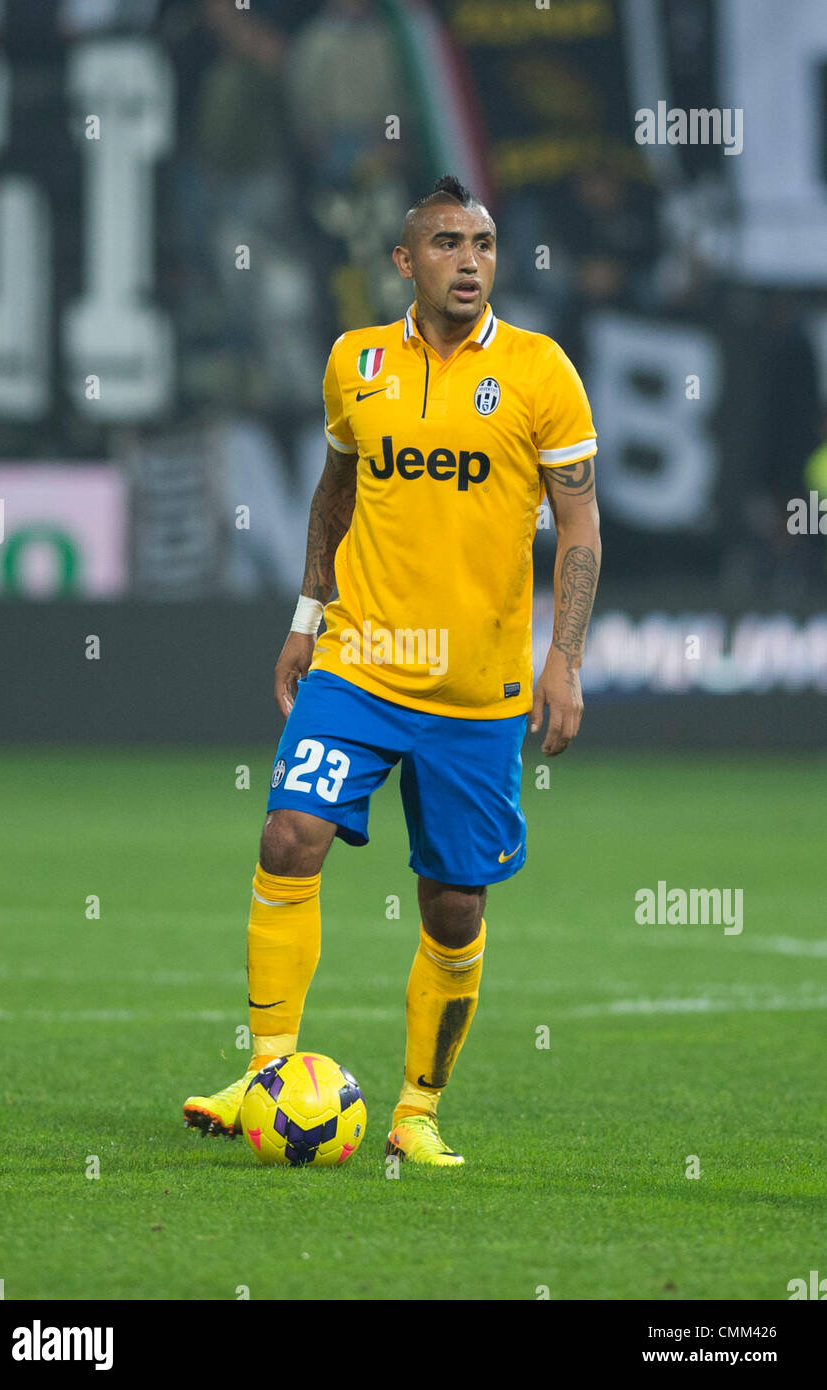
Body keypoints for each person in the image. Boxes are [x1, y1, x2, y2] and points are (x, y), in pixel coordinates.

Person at [184, 175, 601, 1165]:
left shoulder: (541, 373)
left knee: (454, 901)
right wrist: (306, 615)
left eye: (485, 242)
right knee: (290, 833)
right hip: (358, 663)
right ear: (404, 260)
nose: (470, 260)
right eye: (448, 242)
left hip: (477, 692)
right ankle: (269, 1071)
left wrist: (565, 660)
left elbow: (578, 522)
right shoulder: (354, 361)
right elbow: (334, 492)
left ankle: (416, 1109)